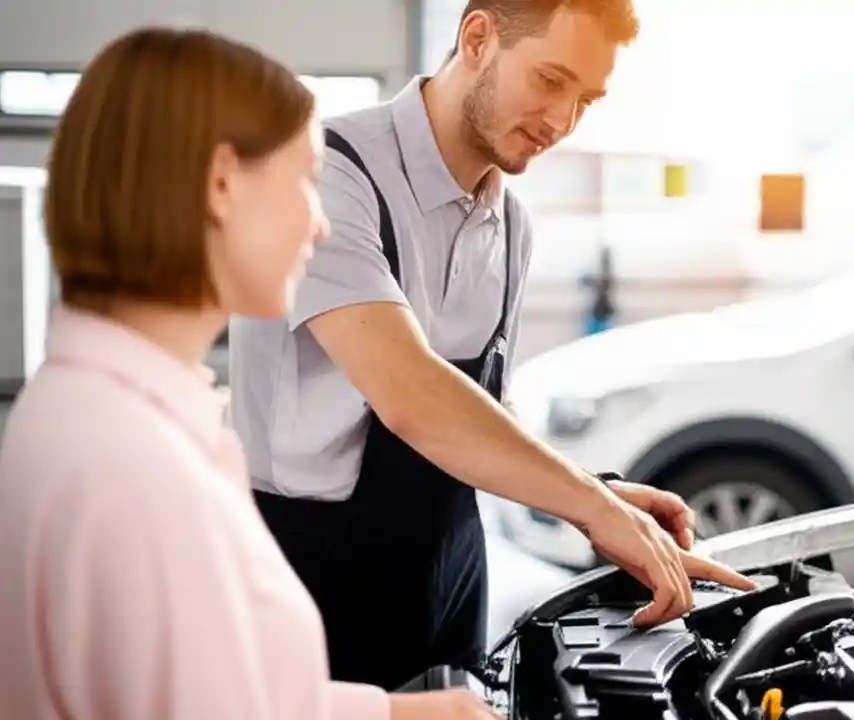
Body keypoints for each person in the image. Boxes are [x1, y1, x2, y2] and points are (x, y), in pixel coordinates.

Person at [230, 0, 754, 691]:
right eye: (549, 79)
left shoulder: (511, 224)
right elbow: (412, 396)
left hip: (447, 587)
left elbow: (475, 416)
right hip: (307, 591)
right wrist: (586, 509)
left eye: (586, 100)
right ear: (477, 37)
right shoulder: (329, 174)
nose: (562, 122)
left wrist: (603, 495)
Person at [0, 26, 498, 719]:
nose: (321, 226)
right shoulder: (130, 466)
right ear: (222, 184)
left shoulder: (114, 415)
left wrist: (396, 714)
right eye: (304, 179)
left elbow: (216, 694)